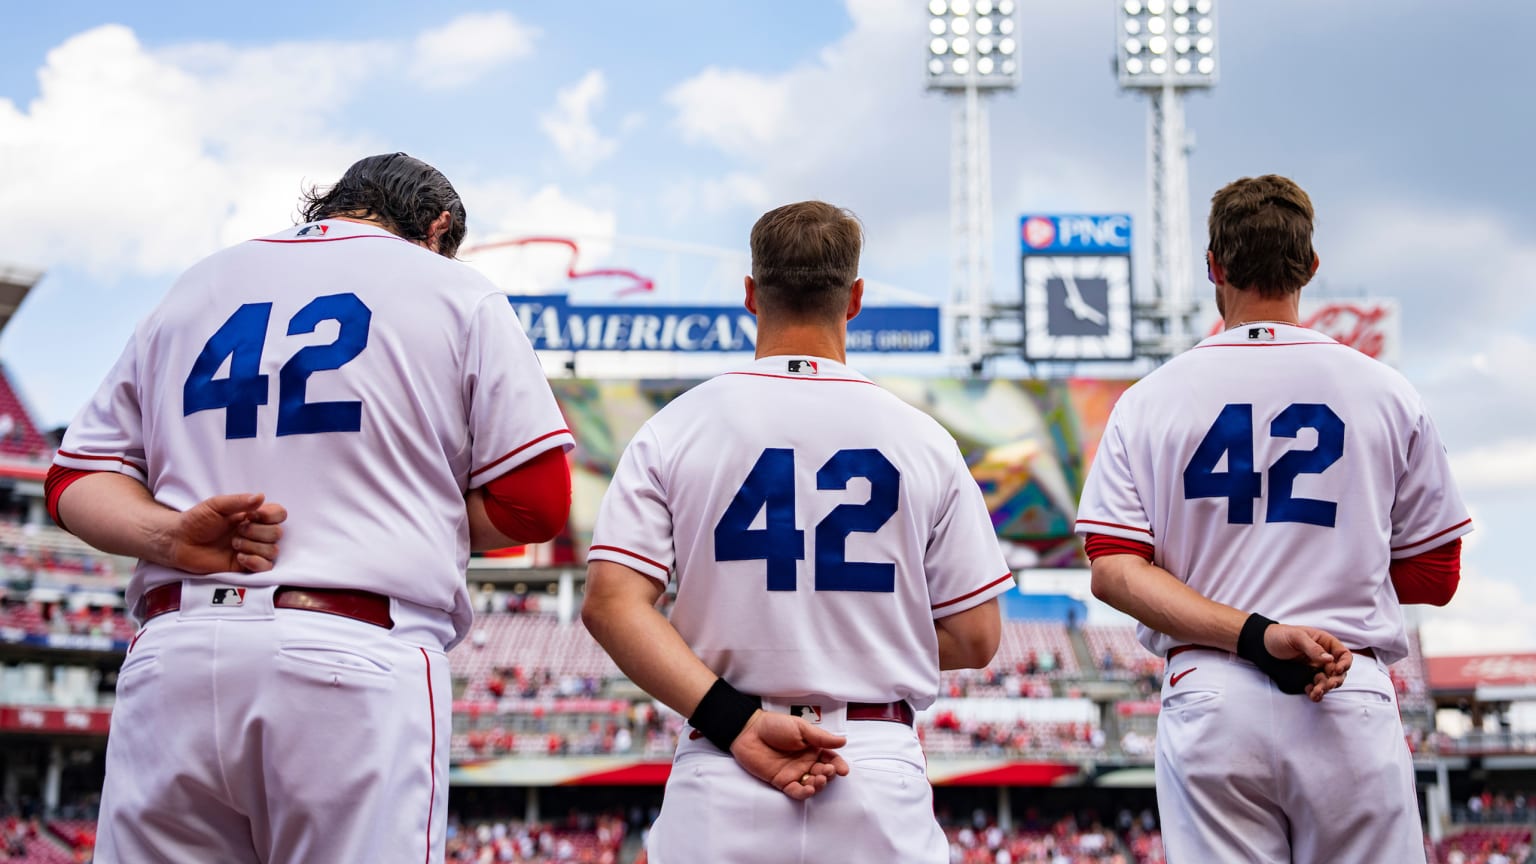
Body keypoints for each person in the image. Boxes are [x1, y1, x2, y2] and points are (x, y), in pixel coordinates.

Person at [47, 153, 574, 863]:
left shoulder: (196, 285)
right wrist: (412, 506)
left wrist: (171, 538)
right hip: (349, 658)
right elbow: (536, 502)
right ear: (438, 226)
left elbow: (74, 479)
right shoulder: (455, 289)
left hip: (173, 654)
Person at [582, 200, 1014, 864]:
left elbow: (612, 603)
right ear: (856, 298)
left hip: (724, 758)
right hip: (872, 763)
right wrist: (858, 639)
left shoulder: (675, 425)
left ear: (751, 295)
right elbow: (976, 636)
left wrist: (739, 720)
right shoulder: (924, 437)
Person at [1076, 174, 1469, 863]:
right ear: (1311, 268)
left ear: (1214, 268)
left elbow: (1113, 570)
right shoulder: (1385, 391)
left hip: (1212, 688)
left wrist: (1257, 629)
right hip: (1347, 681)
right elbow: (1436, 576)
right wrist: (1330, 575)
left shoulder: (1149, 398)